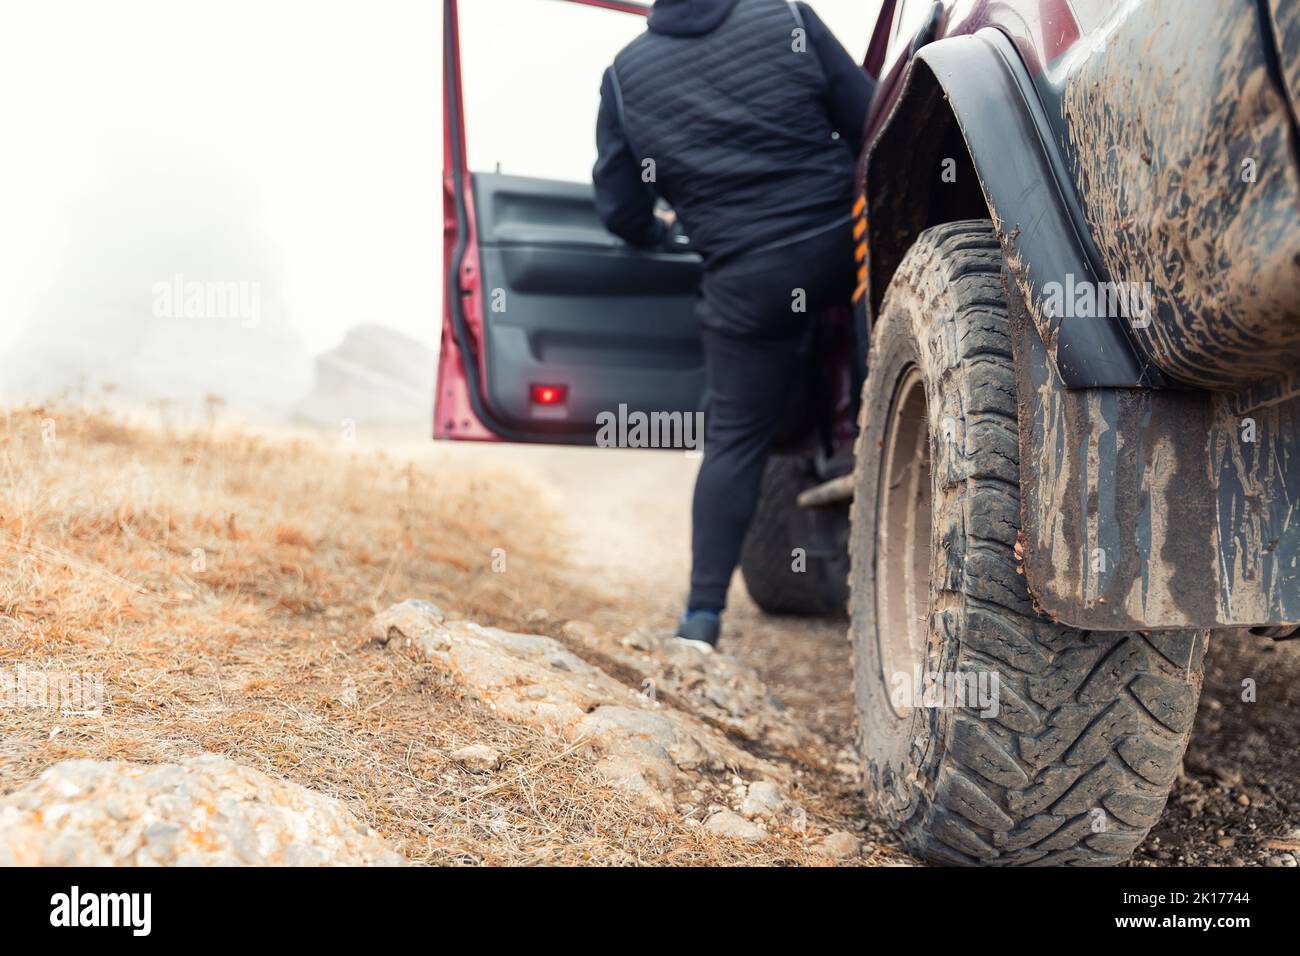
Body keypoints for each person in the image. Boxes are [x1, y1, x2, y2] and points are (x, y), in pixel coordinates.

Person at [593, 0, 873, 650]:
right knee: (884, 387)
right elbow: (868, 117)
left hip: (749, 280)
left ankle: (700, 620)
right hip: (844, 242)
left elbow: (620, 208)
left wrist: (661, 227)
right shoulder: (786, 18)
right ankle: (874, 448)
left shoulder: (624, 79)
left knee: (735, 441)